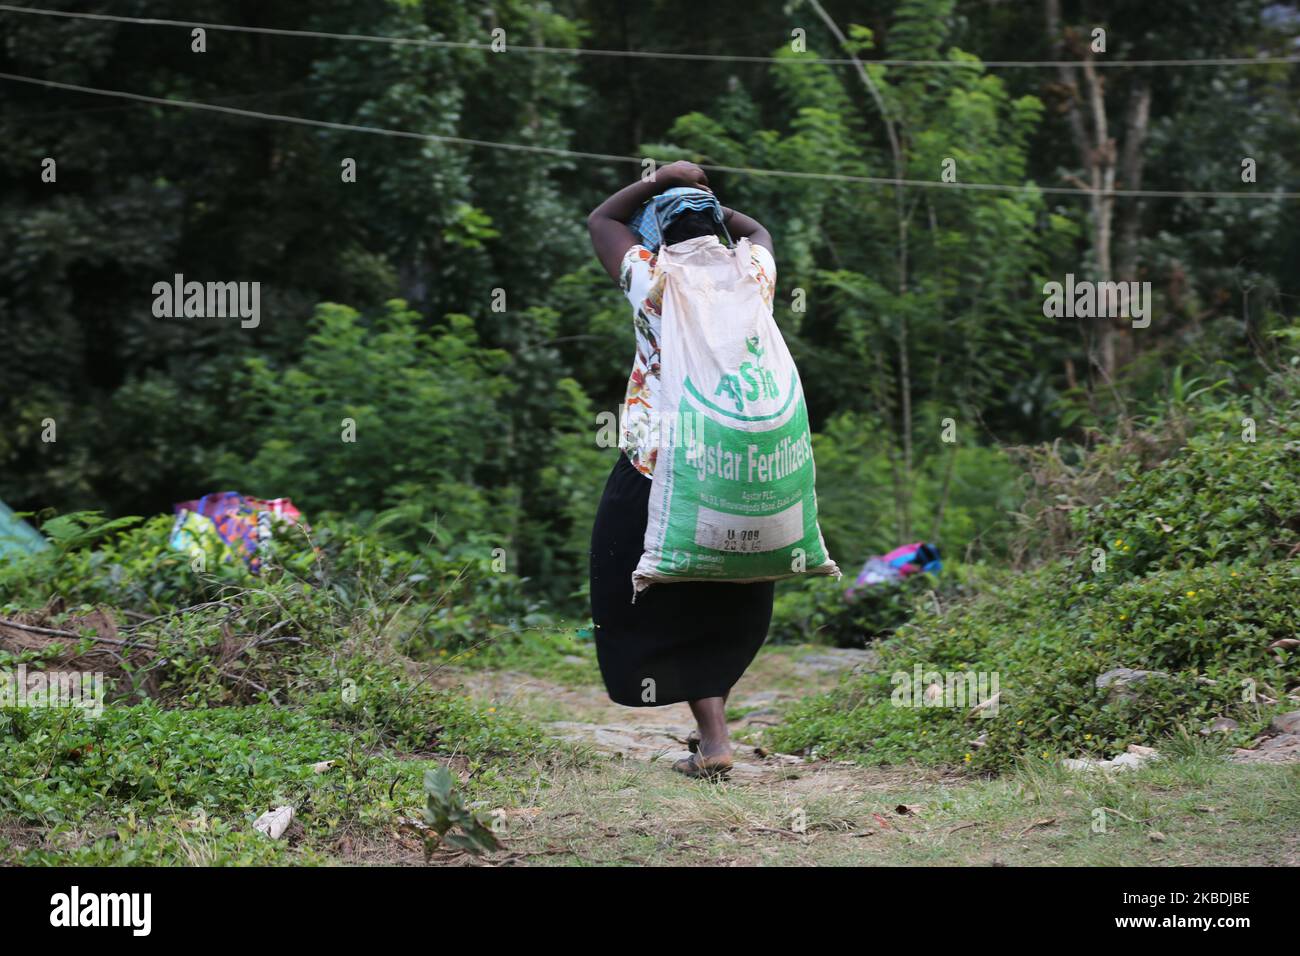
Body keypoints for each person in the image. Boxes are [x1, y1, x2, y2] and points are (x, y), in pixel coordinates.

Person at [586, 161, 777, 780]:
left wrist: (657, 180)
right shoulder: (752, 274)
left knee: (637, 582)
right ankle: (715, 738)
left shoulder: (650, 277)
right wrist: (707, 198)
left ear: (658, 238)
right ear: (719, 229)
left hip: (658, 465)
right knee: (721, 595)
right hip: (742, 468)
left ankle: (712, 738)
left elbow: (602, 219)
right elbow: (759, 230)